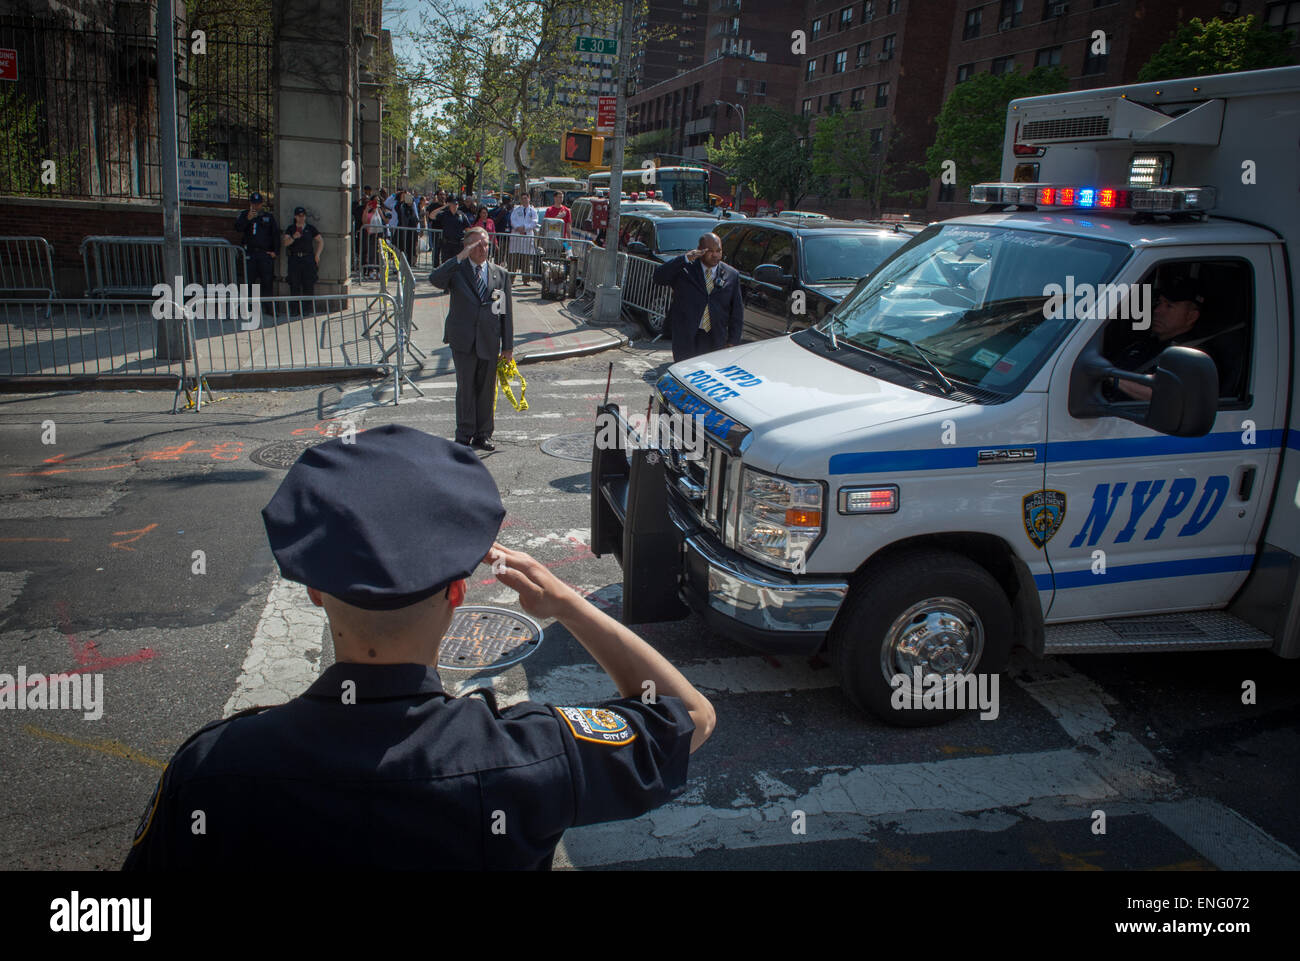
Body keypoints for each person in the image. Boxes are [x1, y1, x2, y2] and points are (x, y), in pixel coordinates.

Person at [121, 424, 714, 870]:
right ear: (459, 590)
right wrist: (568, 604)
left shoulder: (212, 770)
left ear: (315, 593)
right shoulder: (529, 757)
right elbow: (689, 716)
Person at [431, 227, 513, 451]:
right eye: (477, 245)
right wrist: (459, 257)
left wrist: (508, 346)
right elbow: (435, 279)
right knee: (466, 388)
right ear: (467, 247)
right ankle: (464, 432)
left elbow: (505, 312)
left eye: (485, 244)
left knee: (486, 390)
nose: (483, 249)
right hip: (464, 339)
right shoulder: (458, 270)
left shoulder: (500, 274)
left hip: (489, 338)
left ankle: (483, 434)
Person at [1106, 278, 1243, 402]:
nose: (1157, 310)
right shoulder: (1142, 345)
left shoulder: (1195, 357)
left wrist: (1109, 376)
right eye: (1159, 303)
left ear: (1191, 316)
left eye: (1169, 306)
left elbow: (1166, 396)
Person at [653, 232, 744, 362]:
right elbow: (658, 277)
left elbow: (737, 312)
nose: (715, 255)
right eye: (710, 251)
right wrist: (684, 258)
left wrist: (733, 342)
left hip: (715, 338)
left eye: (718, 251)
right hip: (687, 337)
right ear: (700, 250)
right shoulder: (685, 270)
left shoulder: (731, 274)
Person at [234, 191, 278, 312]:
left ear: (261, 204)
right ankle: (246, 307)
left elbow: (275, 234)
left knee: (267, 281)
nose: (256, 206)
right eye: (253, 203)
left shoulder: (268, 217)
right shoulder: (244, 214)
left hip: (265, 254)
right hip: (250, 253)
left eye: (258, 204)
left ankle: (268, 308)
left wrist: (275, 251)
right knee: (248, 281)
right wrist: (247, 219)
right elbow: (238, 228)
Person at [281, 206, 324, 308]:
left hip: (308, 258)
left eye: (303, 216)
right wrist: (293, 237)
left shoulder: (310, 228)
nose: (301, 218)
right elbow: (285, 243)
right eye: (299, 216)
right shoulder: (291, 228)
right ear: (295, 216)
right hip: (295, 259)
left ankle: (307, 308)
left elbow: (320, 241)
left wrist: (317, 255)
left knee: (308, 284)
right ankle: (295, 309)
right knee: (294, 284)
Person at [429, 195, 470, 280]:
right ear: (450, 205)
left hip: (458, 244)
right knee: (446, 266)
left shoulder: (462, 215)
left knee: (458, 266)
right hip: (447, 244)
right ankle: (446, 285)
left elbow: (468, 229)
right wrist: (443, 207)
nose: (455, 206)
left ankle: (456, 285)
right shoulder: (444, 214)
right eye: (453, 204)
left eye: (456, 204)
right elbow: (431, 216)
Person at [508, 191, 540, 284]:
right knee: (513, 258)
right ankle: (511, 279)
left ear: (529, 198)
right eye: (522, 199)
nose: (524, 200)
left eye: (525, 198)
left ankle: (526, 280)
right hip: (517, 235)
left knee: (526, 259)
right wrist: (518, 227)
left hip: (527, 236)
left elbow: (534, 222)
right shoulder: (516, 210)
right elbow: (512, 220)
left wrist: (525, 228)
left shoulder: (533, 211)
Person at [362, 197, 385, 280]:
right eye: (374, 201)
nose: (376, 202)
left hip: (379, 234)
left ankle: (379, 271)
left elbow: (384, 220)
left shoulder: (378, 210)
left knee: (379, 252)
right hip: (370, 234)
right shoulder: (367, 211)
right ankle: (371, 271)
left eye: (378, 201)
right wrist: (367, 210)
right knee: (371, 252)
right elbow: (364, 221)